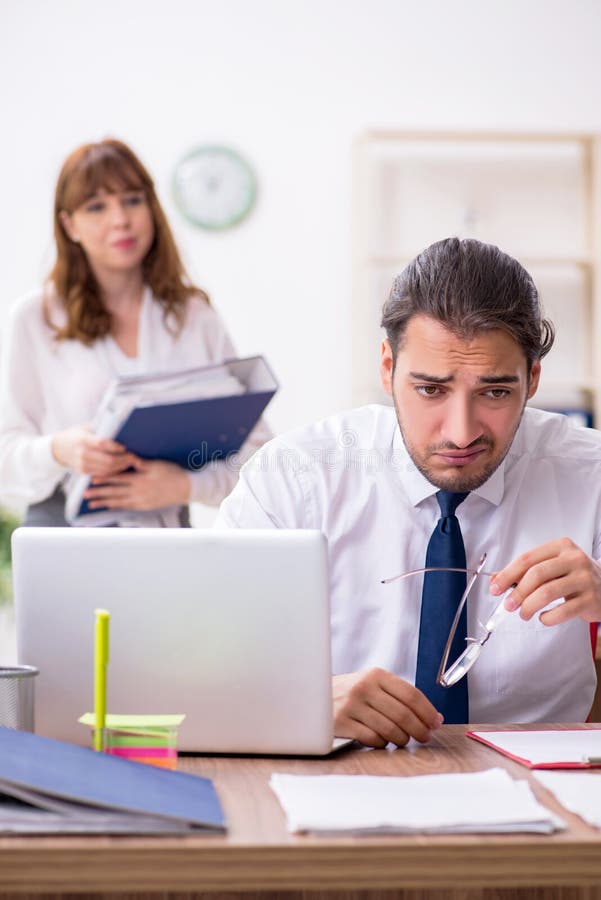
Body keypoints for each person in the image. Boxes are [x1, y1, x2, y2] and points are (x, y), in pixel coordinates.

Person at [216, 237, 601, 747]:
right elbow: (193, 663)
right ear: (387, 368)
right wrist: (298, 702)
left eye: (494, 392)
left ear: (532, 380)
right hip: (343, 784)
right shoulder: (293, 479)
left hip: (549, 790)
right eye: (431, 390)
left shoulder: (590, 474)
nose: (460, 433)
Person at [0, 138, 270, 526]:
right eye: (96, 207)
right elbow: (7, 457)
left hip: (165, 542)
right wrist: (59, 450)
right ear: (69, 225)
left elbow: (257, 451)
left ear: (152, 208)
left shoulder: (194, 316)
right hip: (65, 536)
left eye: (132, 200)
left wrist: (186, 486)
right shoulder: (35, 317)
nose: (120, 220)